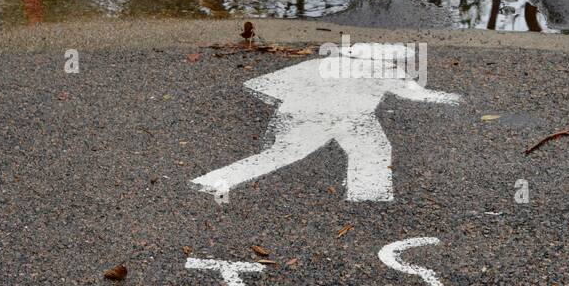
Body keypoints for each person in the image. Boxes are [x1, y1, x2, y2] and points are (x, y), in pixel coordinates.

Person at [191, 43, 459, 204]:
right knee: (371, 150)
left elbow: (258, 85)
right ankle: (368, 197)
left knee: (368, 149)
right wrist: (454, 99)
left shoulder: (319, 64)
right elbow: (421, 95)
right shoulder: (386, 71)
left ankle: (214, 181)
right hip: (343, 117)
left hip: (302, 113)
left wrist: (288, 103)